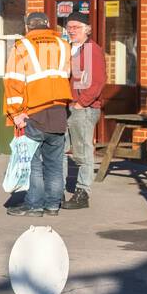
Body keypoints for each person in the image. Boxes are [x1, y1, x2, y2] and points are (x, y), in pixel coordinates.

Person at [3, 11, 72, 216]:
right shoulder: (63, 45)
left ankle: (34, 205)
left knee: (33, 163)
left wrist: (15, 113)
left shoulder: (22, 46)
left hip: (34, 111)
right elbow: (66, 75)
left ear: (27, 27)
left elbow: (13, 81)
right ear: (48, 24)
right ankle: (52, 205)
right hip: (59, 110)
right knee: (55, 163)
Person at [61, 12, 106, 209]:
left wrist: (82, 102)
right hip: (67, 106)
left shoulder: (91, 50)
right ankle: (57, 190)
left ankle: (82, 192)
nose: (71, 30)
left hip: (83, 108)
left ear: (87, 29)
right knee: (60, 150)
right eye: (69, 27)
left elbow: (97, 81)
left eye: (76, 27)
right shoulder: (70, 49)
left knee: (83, 151)